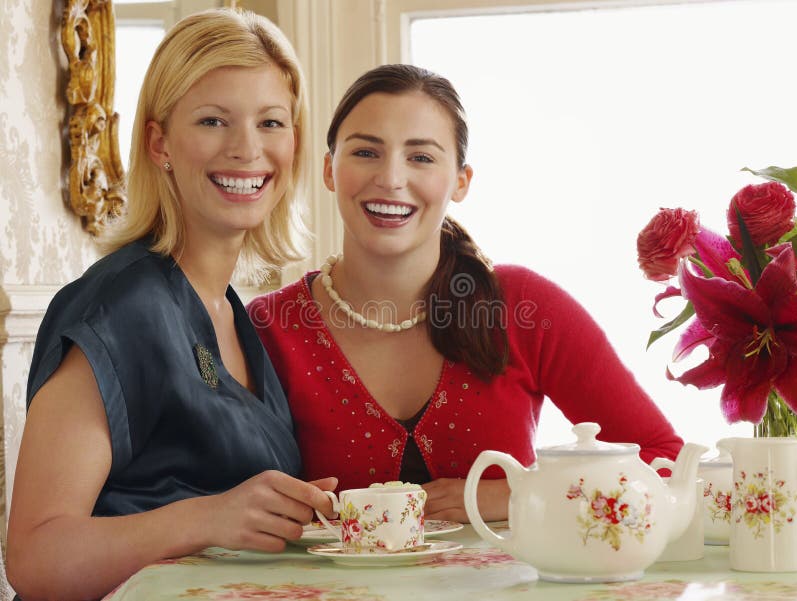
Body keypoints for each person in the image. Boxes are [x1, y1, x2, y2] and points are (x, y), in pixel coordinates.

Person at [247, 63, 684, 524]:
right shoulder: (267, 327)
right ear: (329, 170)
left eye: (421, 157)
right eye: (366, 152)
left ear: (460, 181)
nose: (392, 178)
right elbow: (228, 494)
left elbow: (664, 462)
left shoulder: (523, 307)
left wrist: (521, 494)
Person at [6, 9, 336, 600]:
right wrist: (205, 519)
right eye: (213, 120)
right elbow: (33, 558)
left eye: (271, 122)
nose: (246, 149)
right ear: (159, 143)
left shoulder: (239, 317)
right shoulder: (118, 308)